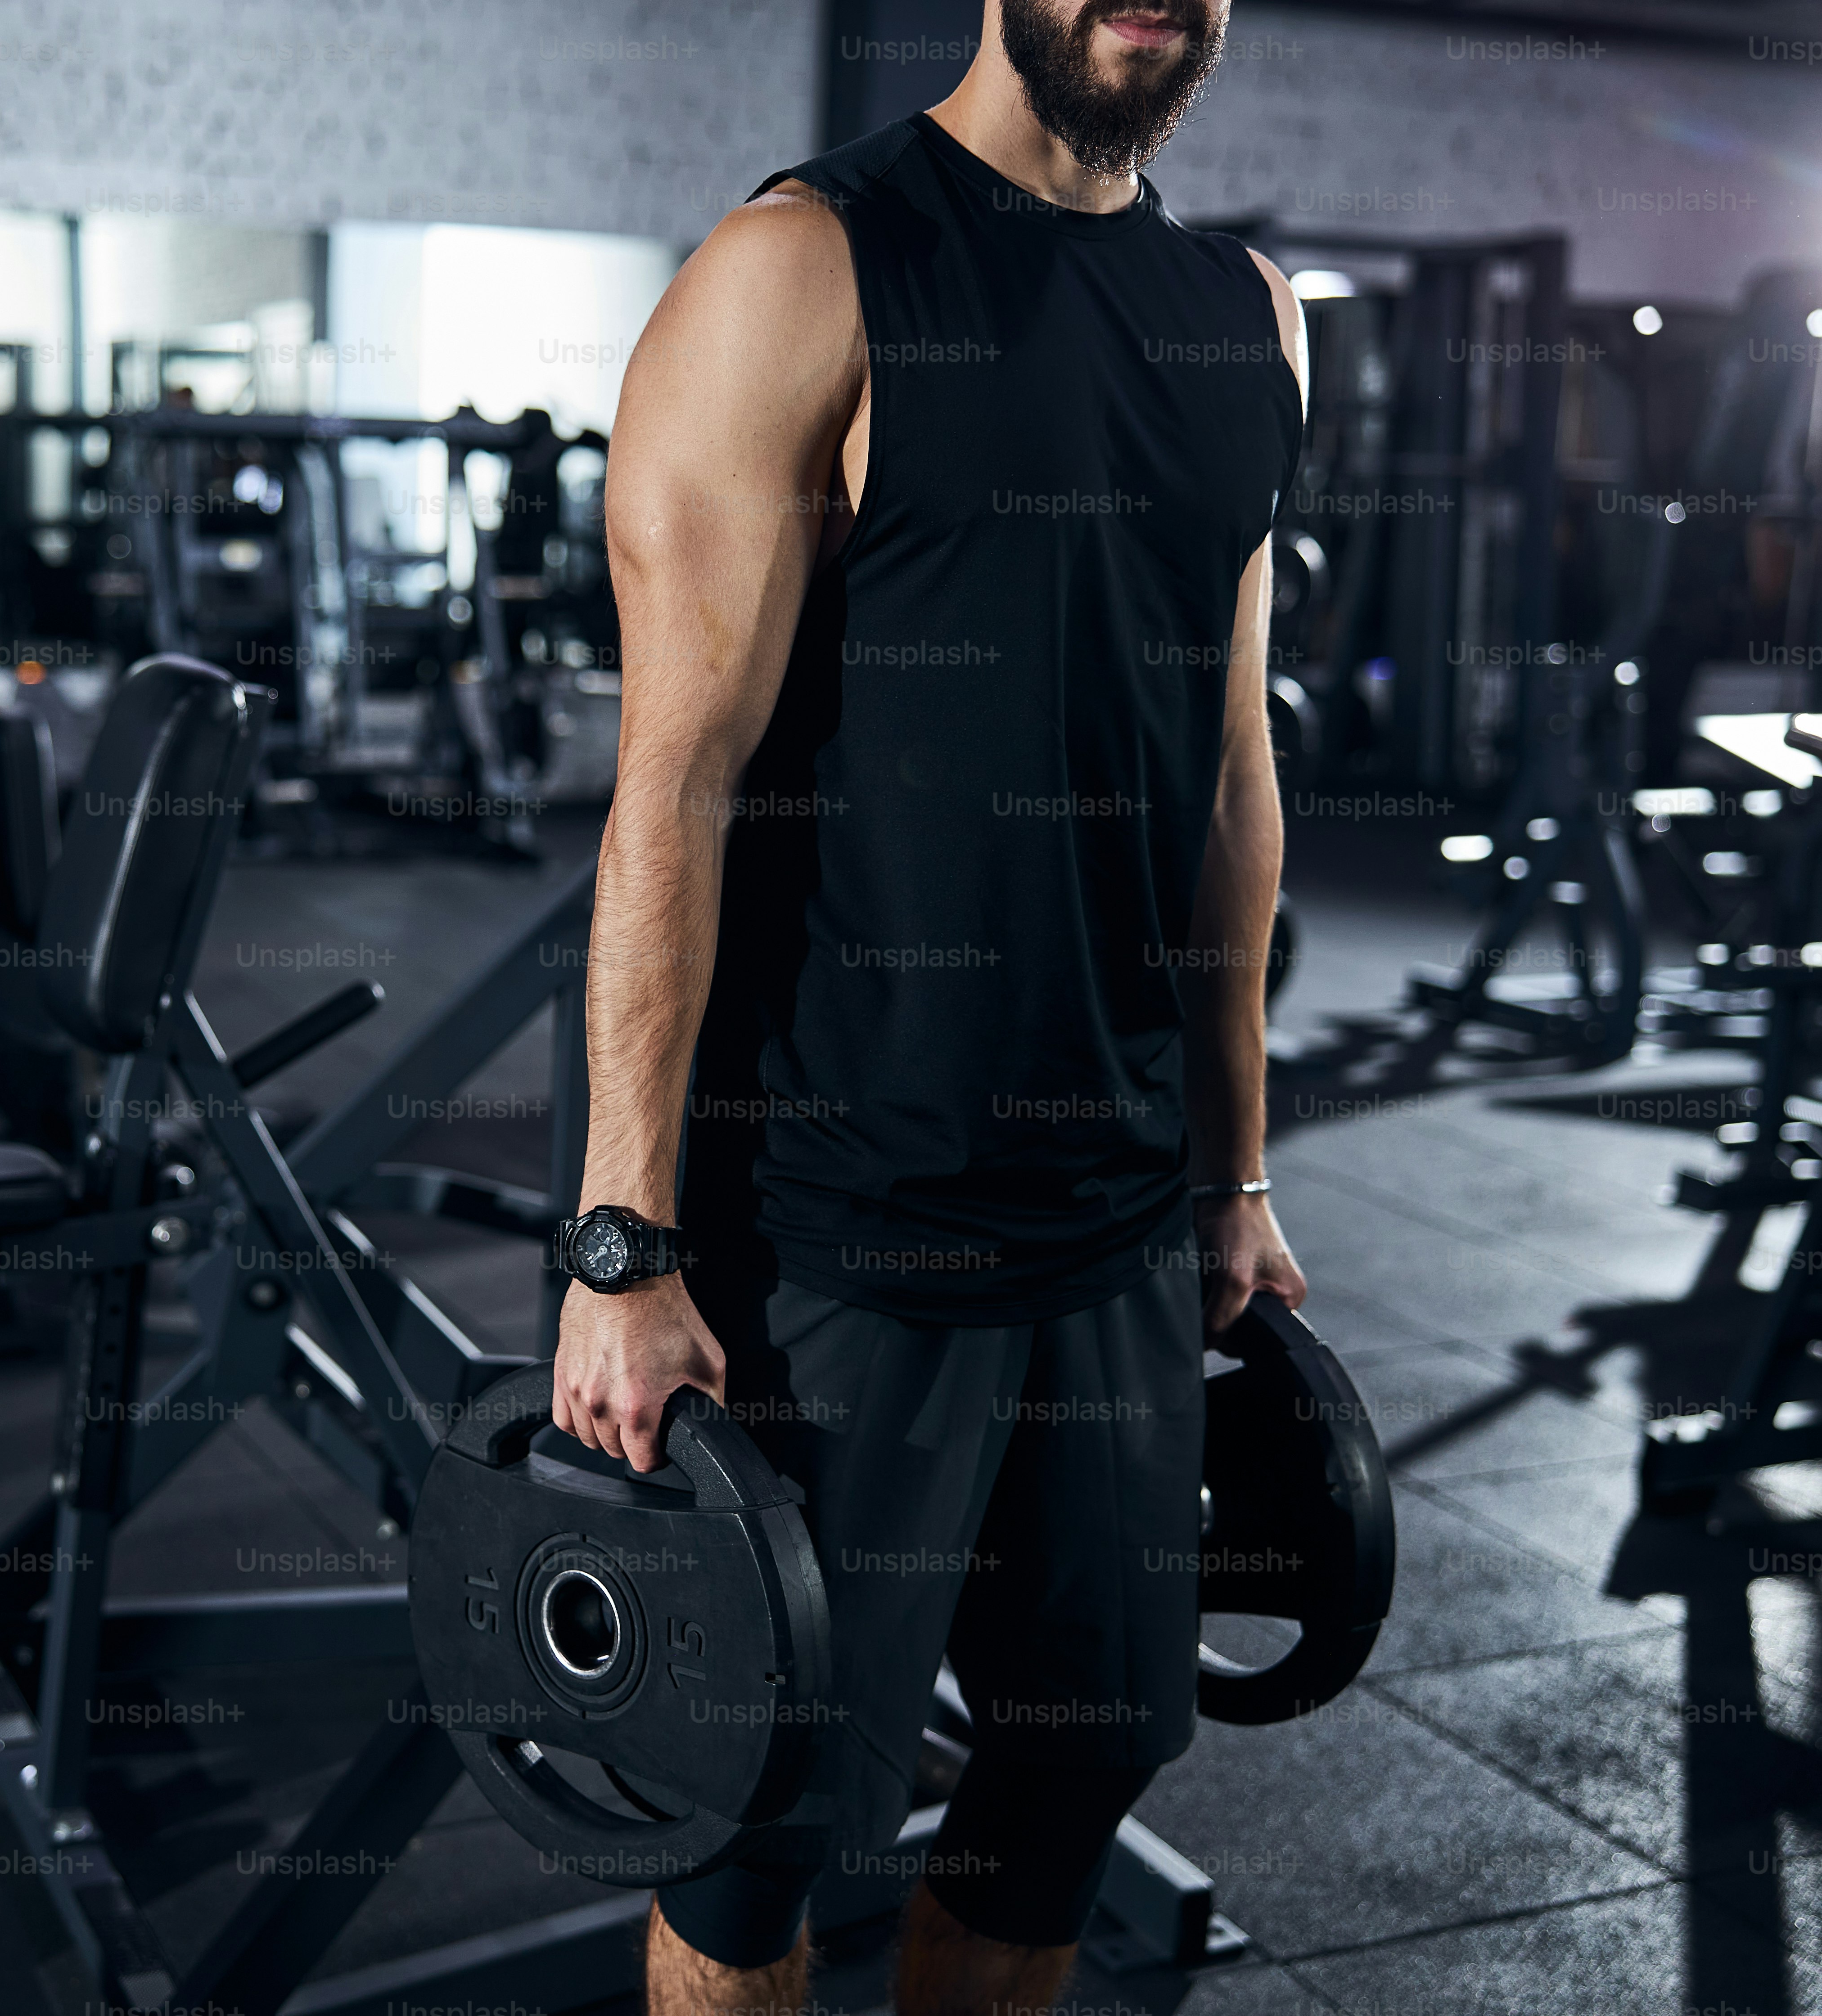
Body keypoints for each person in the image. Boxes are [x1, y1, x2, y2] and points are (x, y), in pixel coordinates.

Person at [544, 0, 1310, 2010]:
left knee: (1077, 1773)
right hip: (843, 1227)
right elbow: (672, 791)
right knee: (762, 1819)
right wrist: (623, 1240)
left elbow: (1232, 769)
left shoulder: (1252, 314)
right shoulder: (804, 267)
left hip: (1123, 1222)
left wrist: (1233, 1167)